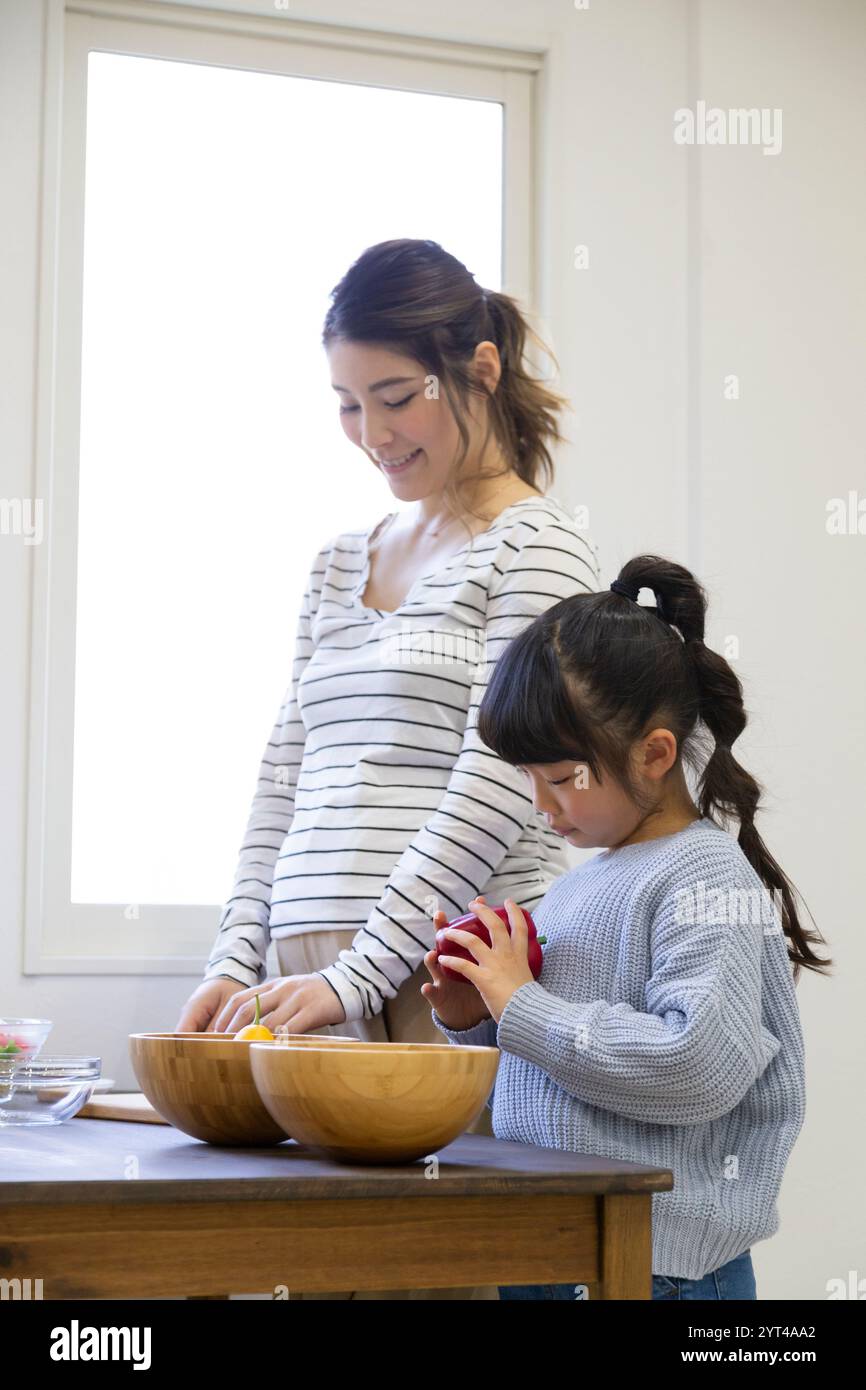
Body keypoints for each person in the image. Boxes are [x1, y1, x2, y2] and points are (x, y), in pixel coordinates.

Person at [176, 238, 601, 1299]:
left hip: (435, 981)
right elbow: (285, 770)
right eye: (345, 404)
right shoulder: (336, 560)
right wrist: (238, 952)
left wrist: (357, 973)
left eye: (394, 397)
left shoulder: (534, 550)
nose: (370, 435)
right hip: (308, 974)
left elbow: (495, 788)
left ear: (480, 368)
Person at [424, 554, 831, 1300]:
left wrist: (520, 1004)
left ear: (653, 755)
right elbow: (559, 1063)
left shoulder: (704, 878)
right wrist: (476, 1017)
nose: (541, 804)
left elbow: (695, 1065)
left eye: (561, 778)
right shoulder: (582, 882)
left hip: (656, 1268)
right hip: (557, 1249)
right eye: (528, 779)